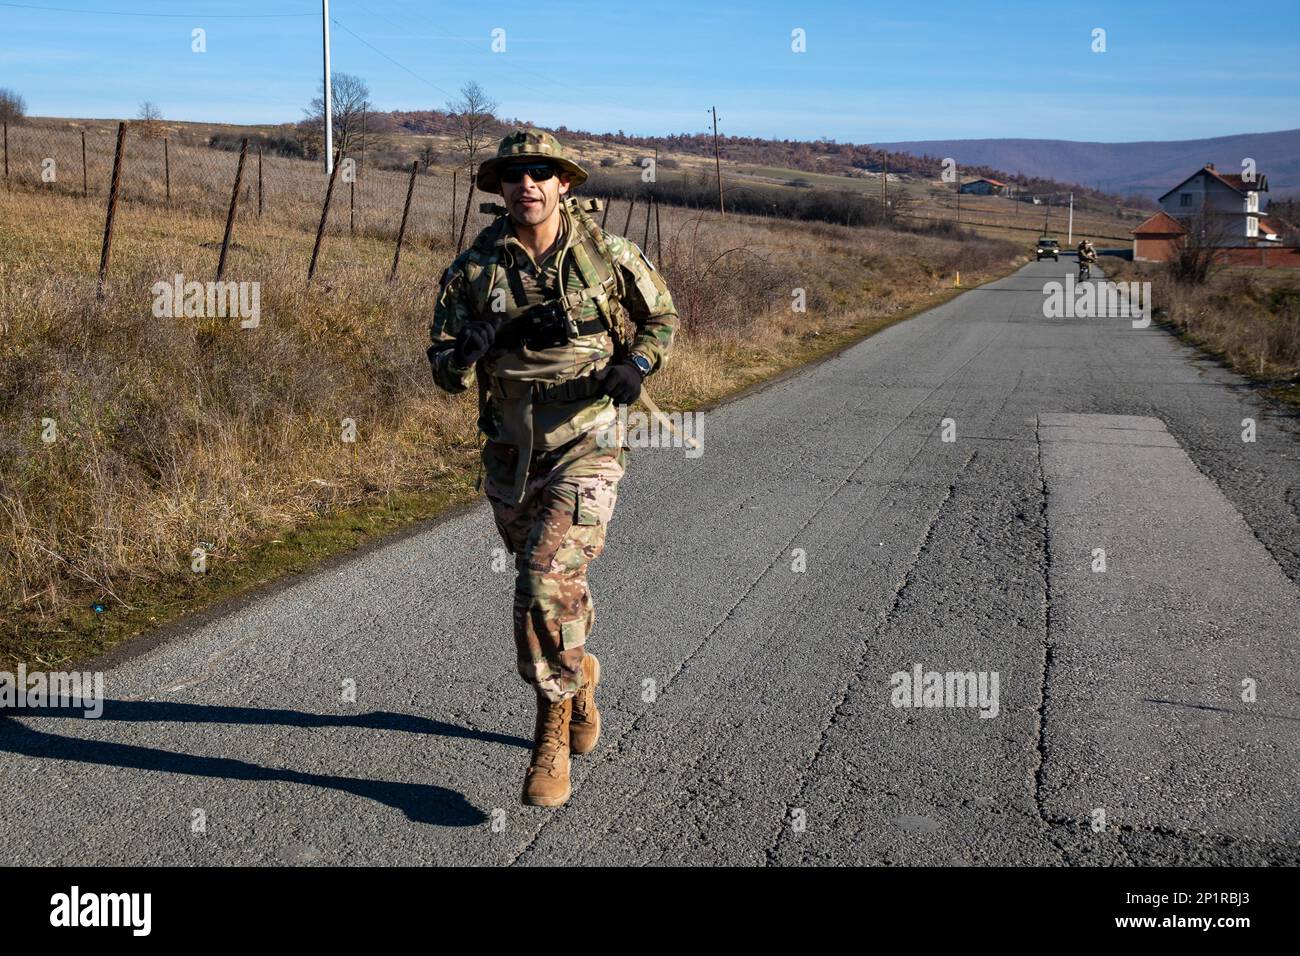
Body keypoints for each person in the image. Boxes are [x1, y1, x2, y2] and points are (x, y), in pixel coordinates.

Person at [426, 129, 678, 807]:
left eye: (540, 172)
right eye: (514, 175)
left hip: (590, 441)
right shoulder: (474, 271)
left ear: (564, 182)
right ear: (500, 189)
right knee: (555, 586)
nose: (526, 184)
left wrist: (639, 365)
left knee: (542, 580)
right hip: (512, 451)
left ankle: (551, 727)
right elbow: (443, 369)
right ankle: (582, 675)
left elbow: (662, 319)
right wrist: (473, 349)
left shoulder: (607, 254)